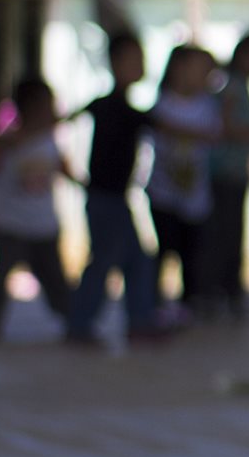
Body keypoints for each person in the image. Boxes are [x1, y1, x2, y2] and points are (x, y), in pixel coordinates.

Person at [66, 32, 177, 346]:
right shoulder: (110, 108)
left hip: (117, 199)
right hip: (104, 199)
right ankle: (80, 324)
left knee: (139, 259)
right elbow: (66, 121)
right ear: (116, 63)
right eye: (133, 58)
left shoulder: (126, 110)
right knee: (104, 260)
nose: (139, 64)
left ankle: (139, 320)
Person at [0, 78, 74, 339]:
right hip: (11, 224)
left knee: (56, 281)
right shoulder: (5, 141)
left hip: (44, 225)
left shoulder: (51, 139)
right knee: (1, 280)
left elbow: (65, 169)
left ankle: (74, 321)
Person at [145, 45, 220, 319]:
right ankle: (153, 302)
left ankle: (188, 303)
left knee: (192, 252)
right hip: (163, 192)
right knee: (164, 248)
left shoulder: (209, 105)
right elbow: (160, 127)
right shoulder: (163, 102)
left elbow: (213, 135)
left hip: (195, 195)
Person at [202, 31, 249, 317]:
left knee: (230, 234)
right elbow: (226, 127)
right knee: (225, 236)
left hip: (234, 172)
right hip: (224, 172)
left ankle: (226, 292)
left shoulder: (237, 85)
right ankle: (220, 293)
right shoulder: (232, 86)